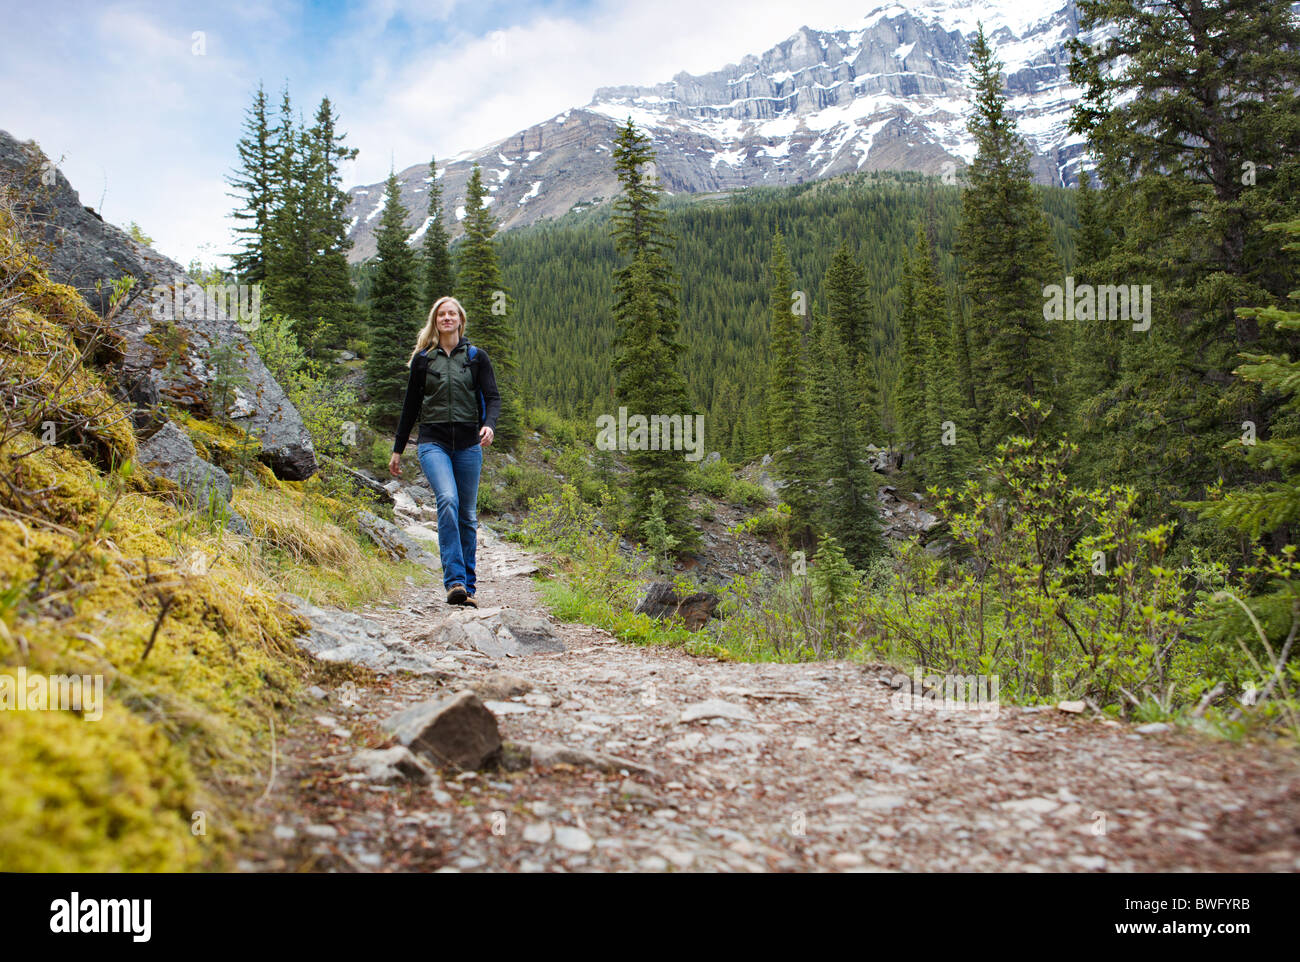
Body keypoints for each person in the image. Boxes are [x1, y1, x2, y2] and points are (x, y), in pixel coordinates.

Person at [388, 295, 501, 606]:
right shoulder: (424, 360)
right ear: (435, 321)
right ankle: (454, 581)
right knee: (448, 500)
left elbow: (493, 397)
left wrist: (489, 424)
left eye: (452, 314)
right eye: (442, 315)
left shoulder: (477, 357)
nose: (447, 318)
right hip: (433, 443)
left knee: (466, 514)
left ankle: (468, 585)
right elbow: (410, 407)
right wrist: (398, 450)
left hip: (468, 445)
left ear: (460, 320)